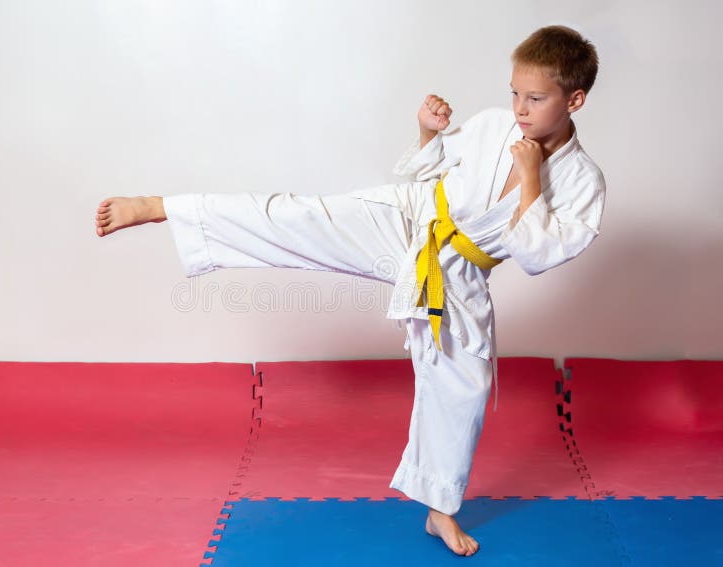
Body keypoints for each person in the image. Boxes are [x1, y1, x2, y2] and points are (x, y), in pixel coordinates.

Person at [93, 24, 605, 558]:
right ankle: (166, 208)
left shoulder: (583, 183)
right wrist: (428, 130)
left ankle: (439, 511)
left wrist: (530, 178)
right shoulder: (496, 125)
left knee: (467, 386)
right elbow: (431, 165)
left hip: (460, 270)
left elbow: (538, 256)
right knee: (300, 216)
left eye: (535, 98)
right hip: (413, 219)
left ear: (574, 100)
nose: (520, 108)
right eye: (515, 93)